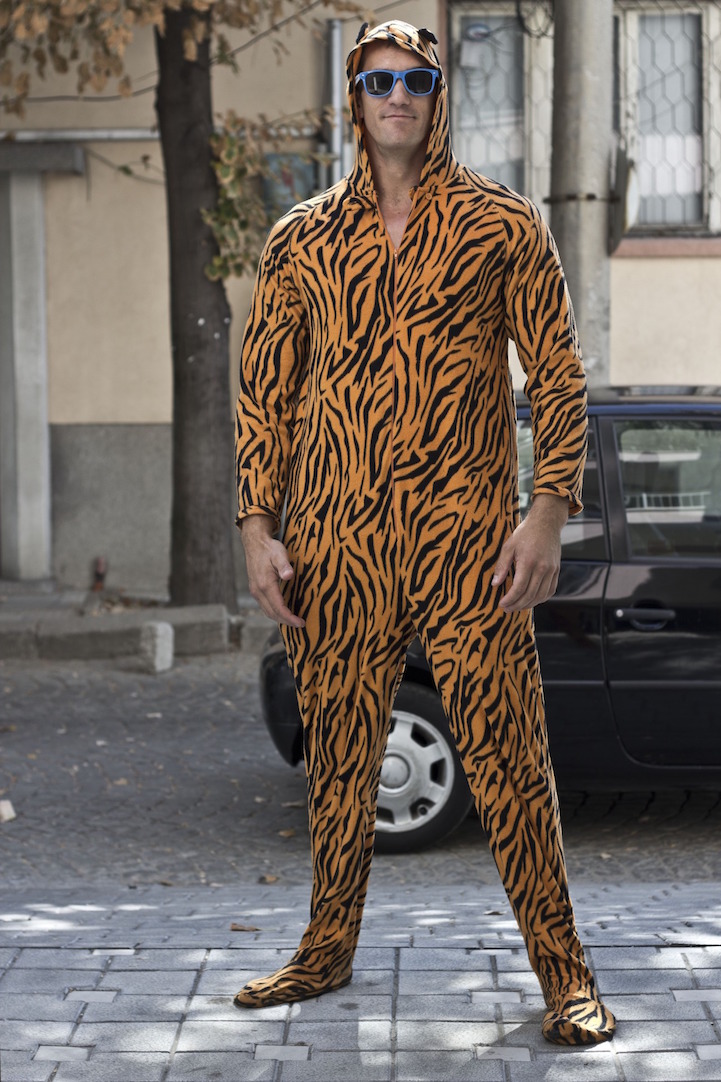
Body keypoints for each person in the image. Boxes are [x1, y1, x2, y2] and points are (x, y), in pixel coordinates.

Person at [233, 20, 616, 1046]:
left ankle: (565, 975)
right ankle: (325, 949)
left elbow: (560, 376)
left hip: (468, 547)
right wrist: (257, 527)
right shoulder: (301, 239)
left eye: (413, 79)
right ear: (351, 99)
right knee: (341, 755)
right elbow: (265, 394)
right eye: (376, 81)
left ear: (437, 93)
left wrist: (546, 511)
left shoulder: (502, 225)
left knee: (507, 759)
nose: (395, 95)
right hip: (332, 544)